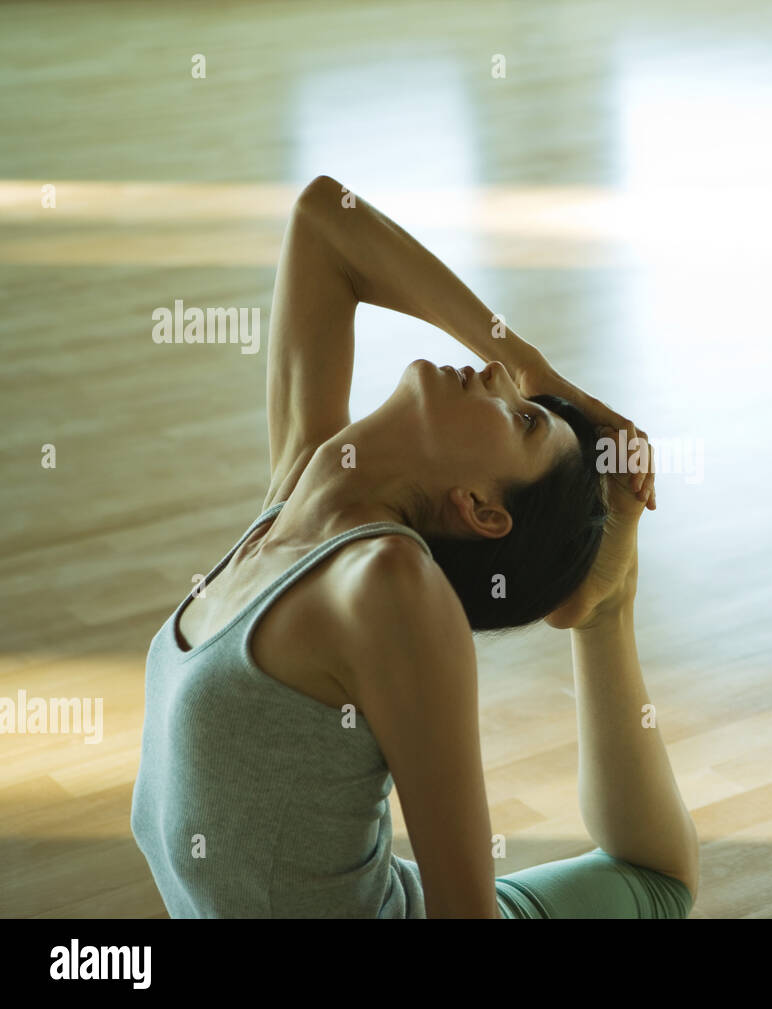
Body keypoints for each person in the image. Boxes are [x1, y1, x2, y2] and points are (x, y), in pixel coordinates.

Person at [129, 176, 699, 918]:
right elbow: (323, 221)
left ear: (482, 510)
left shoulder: (387, 583)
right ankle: (595, 598)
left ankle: (602, 607)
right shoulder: (290, 508)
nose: (497, 377)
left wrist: (540, 391)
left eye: (520, 419)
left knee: (659, 881)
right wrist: (537, 370)